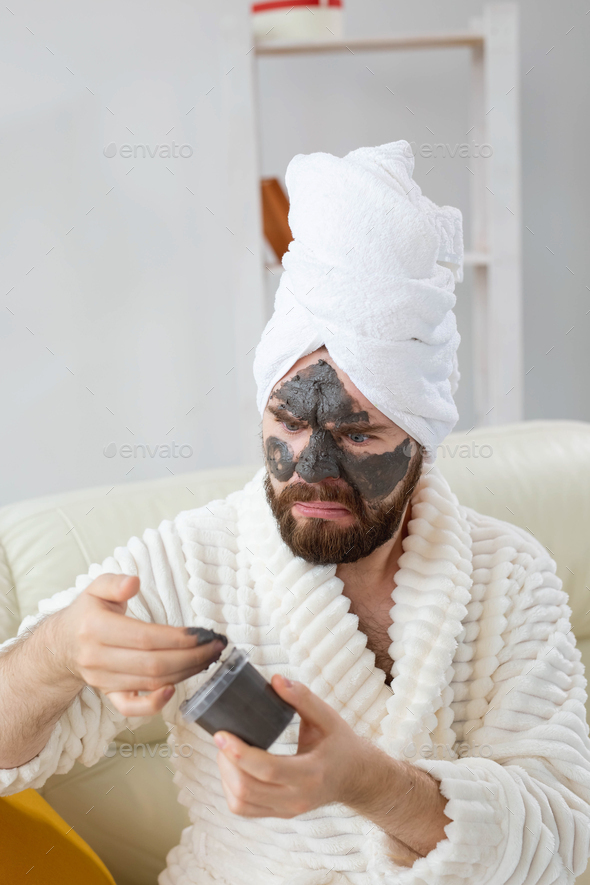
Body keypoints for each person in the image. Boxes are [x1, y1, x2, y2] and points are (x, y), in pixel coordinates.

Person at [1, 141, 590, 885]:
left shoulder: (512, 577)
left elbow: (564, 834)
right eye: (287, 422)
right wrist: (56, 650)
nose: (311, 470)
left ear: (423, 436)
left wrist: (369, 783)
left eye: (356, 432)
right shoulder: (189, 563)